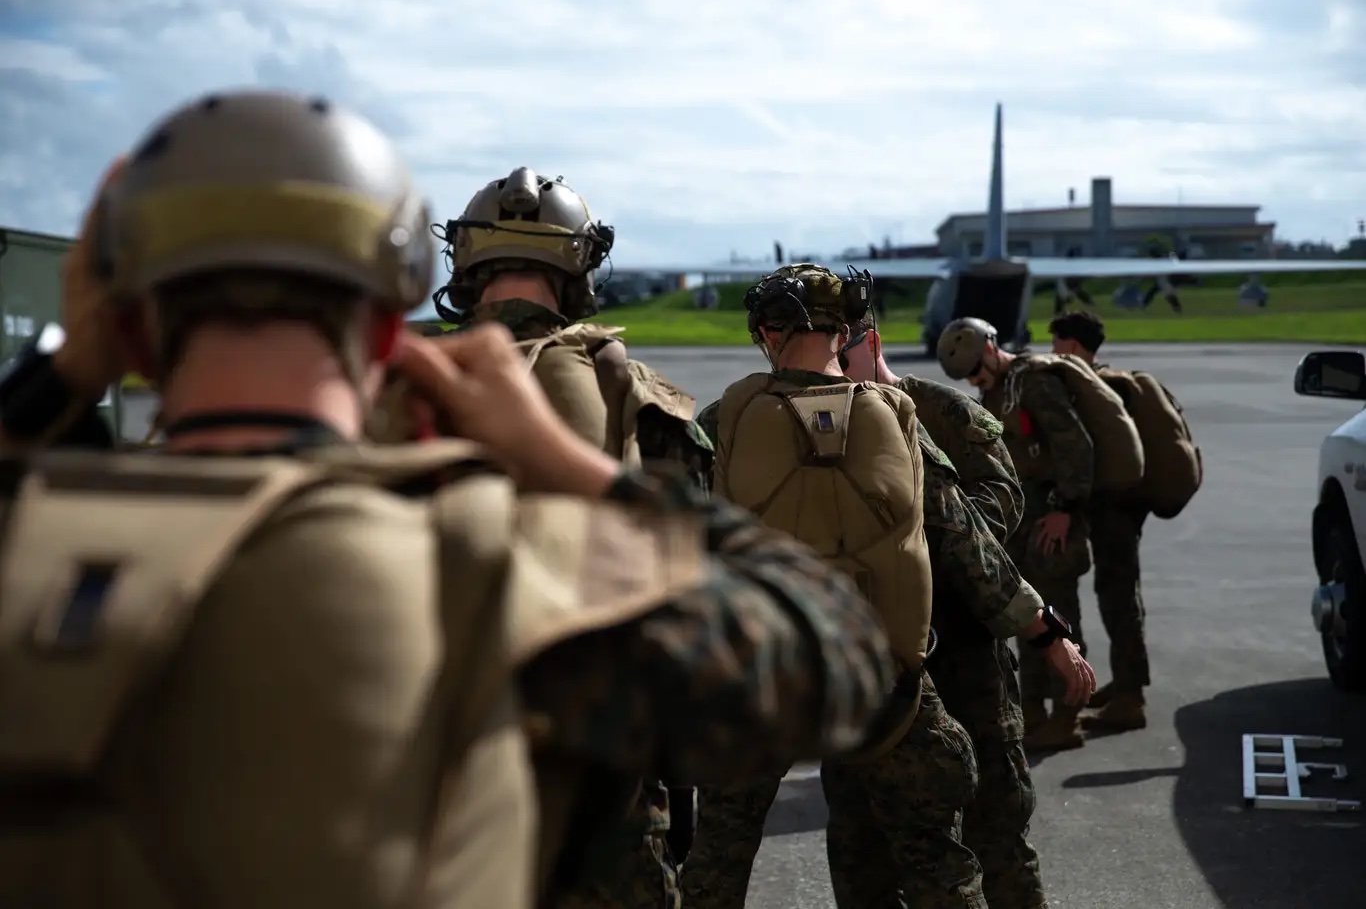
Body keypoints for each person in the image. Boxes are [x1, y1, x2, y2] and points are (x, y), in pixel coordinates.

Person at [0, 90, 901, 909]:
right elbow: (839, 658)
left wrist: (58, 380)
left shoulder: (32, 556)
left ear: (126, 326)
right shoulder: (496, 577)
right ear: (383, 325)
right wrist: (567, 464)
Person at [430, 166, 714, 907]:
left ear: (467, 260)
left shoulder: (406, 378)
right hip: (600, 764)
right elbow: (689, 579)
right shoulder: (632, 394)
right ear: (579, 261)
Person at [684, 263, 984, 909]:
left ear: (767, 333)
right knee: (939, 864)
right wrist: (1041, 629)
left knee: (717, 858)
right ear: (843, 331)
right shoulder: (898, 415)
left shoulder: (725, 417)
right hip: (888, 684)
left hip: (763, 680)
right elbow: (960, 535)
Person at [842, 310, 1095, 908]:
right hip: (877, 660)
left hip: (964, 645)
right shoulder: (821, 419)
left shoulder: (943, 411)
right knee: (864, 842)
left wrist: (925, 541)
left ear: (870, 343)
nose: (830, 369)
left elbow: (1001, 501)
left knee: (997, 823)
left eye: (840, 354)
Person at [936, 318, 1098, 752]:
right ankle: (1035, 711)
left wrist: (1065, 509)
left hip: (1053, 518)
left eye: (976, 369)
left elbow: (1076, 447)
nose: (974, 379)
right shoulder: (998, 390)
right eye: (968, 376)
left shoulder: (1035, 384)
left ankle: (1068, 716)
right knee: (1031, 615)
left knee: (1060, 616)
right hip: (1026, 523)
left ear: (991, 348)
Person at [1049, 310, 1150, 731]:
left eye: (1057, 343)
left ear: (1072, 345)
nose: (1053, 351)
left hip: (1112, 508)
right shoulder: (1110, 383)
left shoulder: (1088, 388)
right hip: (1125, 505)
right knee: (1122, 595)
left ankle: (1130, 698)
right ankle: (1127, 684)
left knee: (1117, 598)